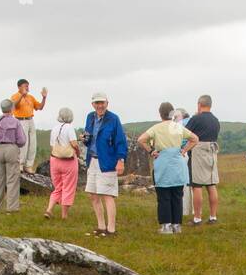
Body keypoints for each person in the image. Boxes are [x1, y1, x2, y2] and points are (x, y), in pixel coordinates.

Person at [138, 102, 198, 234]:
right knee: (177, 195)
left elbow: (141, 139)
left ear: (160, 114)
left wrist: (151, 151)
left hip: (162, 163)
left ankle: (166, 226)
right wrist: (183, 150)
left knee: (164, 196)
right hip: (177, 163)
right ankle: (177, 225)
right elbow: (195, 138)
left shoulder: (156, 128)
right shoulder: (178, 127)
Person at [82, 91, 127, 237]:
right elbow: (89, 138)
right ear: (93, 104)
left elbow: (120, 140)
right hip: (92, 159)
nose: (100, 105)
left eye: (102, 103)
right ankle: (101, 227)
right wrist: (85, 139)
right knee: (93, 194)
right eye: (97, 103)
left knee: (107, 194)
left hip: (107, 160)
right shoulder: (90, 117)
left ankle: (111, 229)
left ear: (107, 103)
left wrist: (120, 160)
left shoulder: (113, 119)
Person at [0, 100, 26, 213]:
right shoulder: (16, 122)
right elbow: (22, 141)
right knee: (12, 180)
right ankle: (11, 208)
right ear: (12, 108)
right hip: (12, 149)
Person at [186, 94, 220, 225]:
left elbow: (185, 133)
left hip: (198, 151)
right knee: (211, 185)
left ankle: (197, 218)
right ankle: (213, 216)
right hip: (212, 151)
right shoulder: (216, 121)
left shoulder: (196, 119)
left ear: (199, 104)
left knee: (197, 185)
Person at [45, 107, 80, 220]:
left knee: (58, 187)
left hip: (55, 160)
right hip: (68, 161)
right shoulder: (69, 128)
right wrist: (78, 152)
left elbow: (52, 145)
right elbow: (74, 144)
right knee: (68, 187)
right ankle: (64, 215)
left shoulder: (54, 128)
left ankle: (49, 209)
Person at [11, 79, 48, 176]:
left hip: (30, 119)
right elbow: (14, 106)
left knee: (33, 143)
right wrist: (22, 96)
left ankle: (29, 165)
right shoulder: (15, 96)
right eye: (25, 86)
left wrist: (44, 98)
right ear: (19, 87)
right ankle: (20, 164)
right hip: (20, 120)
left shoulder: (30, 97)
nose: (27, 87)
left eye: (27, 86)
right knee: (24, 143)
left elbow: (40, 107)